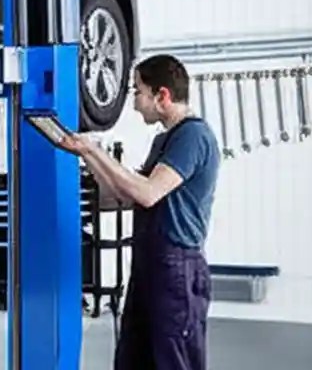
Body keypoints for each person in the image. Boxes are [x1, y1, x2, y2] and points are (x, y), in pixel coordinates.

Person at [62, 54, 220, 370]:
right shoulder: (165, 139)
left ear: (162, 95)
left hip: (176, 268)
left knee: (173, 362)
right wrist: (87, 156)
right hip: (151, 264)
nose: (134, 103)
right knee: (133, 360)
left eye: (138, 91)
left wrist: (94, 150)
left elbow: (147, 193)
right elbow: (124, 194)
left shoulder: (193, 136)